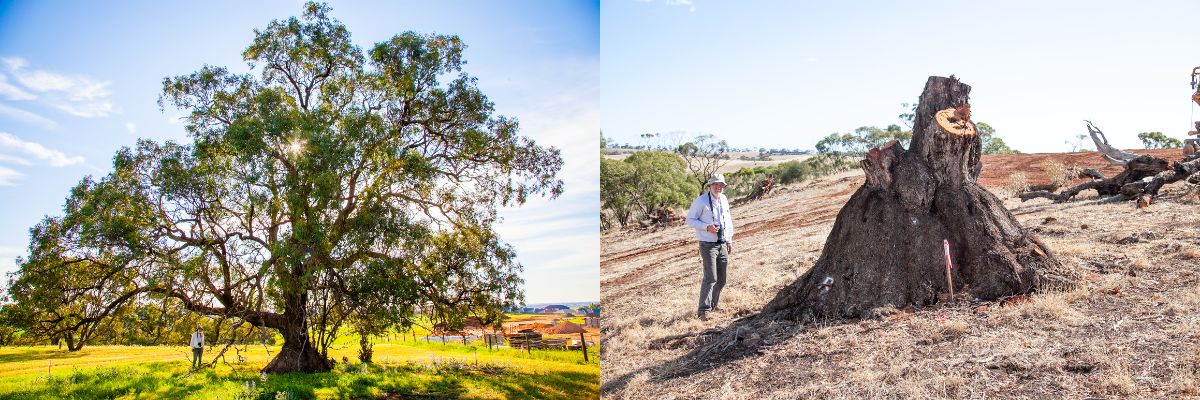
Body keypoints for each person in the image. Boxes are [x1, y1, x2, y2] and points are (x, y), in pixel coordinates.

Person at [685, 173, 734, 319]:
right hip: (707, 244)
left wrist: (729, 240)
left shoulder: (724, 199)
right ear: (710, 186)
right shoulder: (701, 201)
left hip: (722, 242)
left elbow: (728, 221)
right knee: (711, 277)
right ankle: (703, 311)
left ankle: (713, 305)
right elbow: (689, 220)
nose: (718, 187)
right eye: (715, 184)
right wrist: (707, 227)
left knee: (722, 278)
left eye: (721, 185)